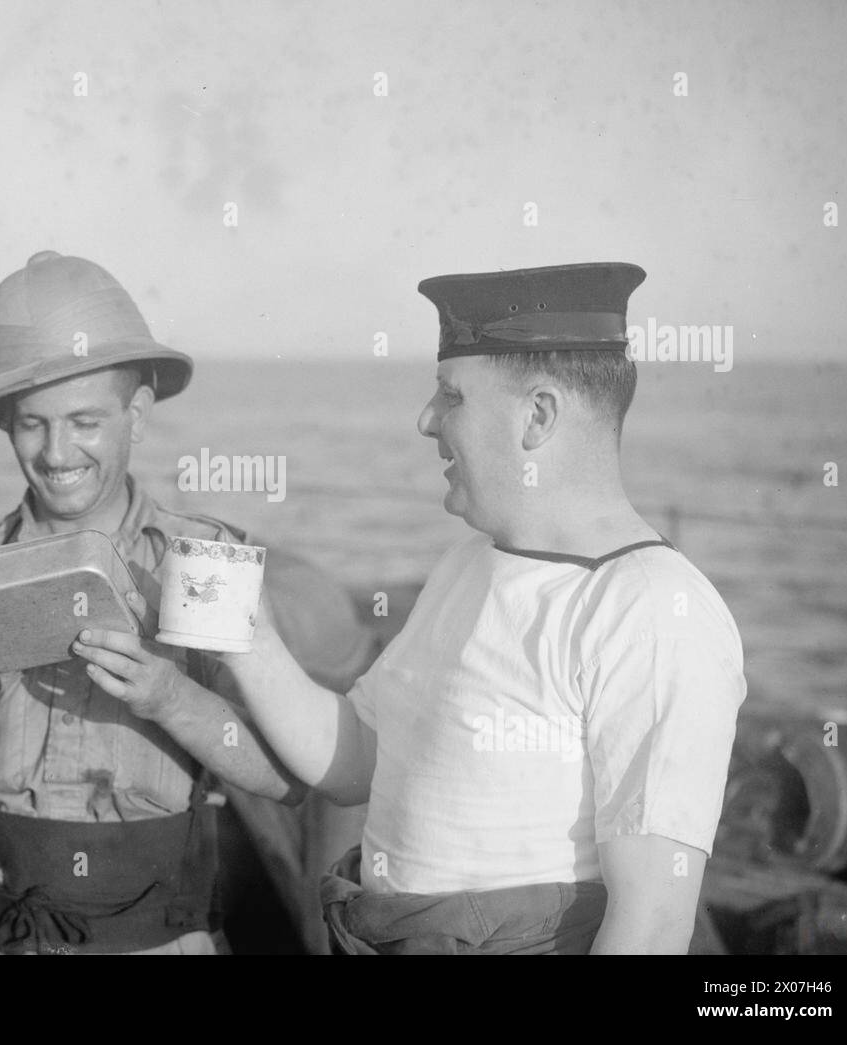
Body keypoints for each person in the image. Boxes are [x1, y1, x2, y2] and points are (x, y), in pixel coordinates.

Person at [75, 262, 748, 954]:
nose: (426, 419)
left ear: (538, 415)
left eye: (451, 396)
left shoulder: (655, 611)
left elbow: (651, 925)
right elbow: (358, 759)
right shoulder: (469, 565)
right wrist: (244, 631)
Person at [0, 251, 309, 955]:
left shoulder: (200, 563)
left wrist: (169, 698)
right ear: (5, 423)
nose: (58, 451)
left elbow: (285, 778)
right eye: (33, 423)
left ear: (139, 413)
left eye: (86, 420)